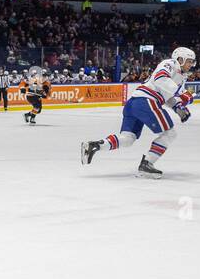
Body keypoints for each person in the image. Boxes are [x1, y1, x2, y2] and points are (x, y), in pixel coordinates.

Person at [81, 46, 194, 179]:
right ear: (180, 59)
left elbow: (167, 95)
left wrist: (178, 108)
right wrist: (183, 94)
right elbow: (160, 78)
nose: (191, 64)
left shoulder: (180, 77)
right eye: (189, 61)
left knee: (128, 139)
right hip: (146, 102)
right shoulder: (170, 64)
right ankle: (147, 164)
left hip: (135, 103)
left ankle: (94, 146)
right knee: (170, 133)